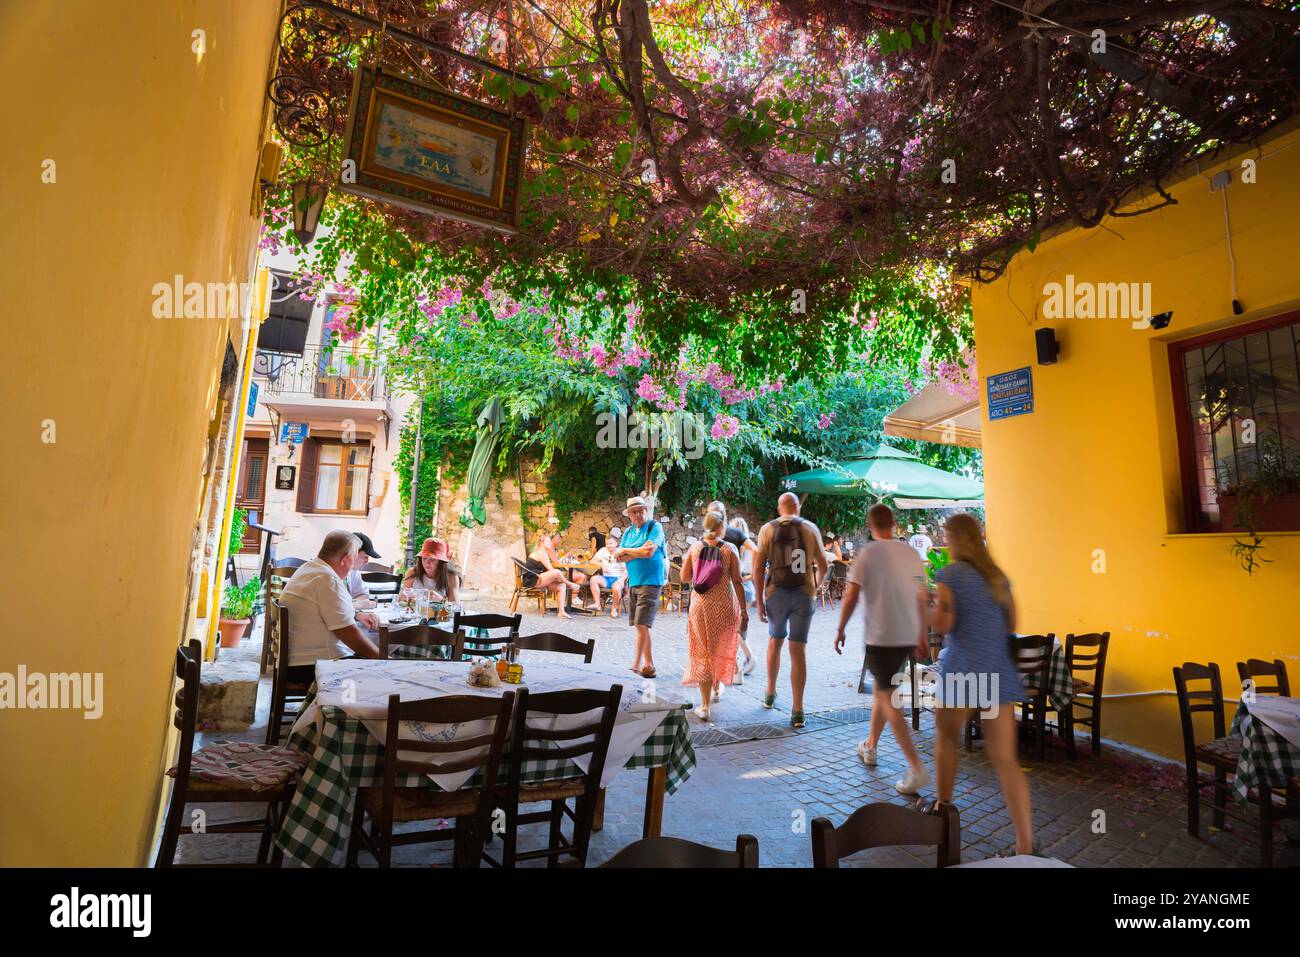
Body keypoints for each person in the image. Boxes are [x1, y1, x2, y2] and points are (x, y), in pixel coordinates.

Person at [923, 513, 1035, 855]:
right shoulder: (998, 577)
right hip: (997, 671)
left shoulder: (950, 575)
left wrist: (925, 607)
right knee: (1005, 758)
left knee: (946, 740)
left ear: (956, 539)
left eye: (947, 536)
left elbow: (943, 623)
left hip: (962, 670)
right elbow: (1012, 623)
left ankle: (943, 811)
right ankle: (1025, 842)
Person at [834, 504, 931, 795]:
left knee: (887, 698)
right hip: (905, 635)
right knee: (884, 689)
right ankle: (871, 746)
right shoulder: (910, 554)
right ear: (894, 522)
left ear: (870, 524)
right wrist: (921, 632)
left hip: (880, 635)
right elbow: (921, 594)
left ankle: (916, 767)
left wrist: (840, 628)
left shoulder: (868, 555)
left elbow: (851, 595)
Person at [753, 492, 828, 728]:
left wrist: (758, 599)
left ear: (779, 508)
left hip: (775, 594)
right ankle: (797, 710)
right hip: (804, 595)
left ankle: (770, 692)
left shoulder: (767, 529)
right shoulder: (810, 528)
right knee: (798, 650)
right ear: (798, 507)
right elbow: (824, 565)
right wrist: (816, 586)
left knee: (775, 641)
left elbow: (757, 568)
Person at [680, 511, 748, 721]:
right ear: (722, 527)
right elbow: (737, 581)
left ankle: (705, 705)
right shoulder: (730, 549)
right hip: (724, 606)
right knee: (718, 648)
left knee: (703, 652)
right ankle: (716, 690)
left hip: (700, 606)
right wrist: (744, 611)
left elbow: (684, 577)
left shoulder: (695, 547)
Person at [279, 530, 382, 667]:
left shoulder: (308, 568)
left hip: (298, 661)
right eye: (352, 559)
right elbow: (349, 634)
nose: (352, 567)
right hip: (317, 664)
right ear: (345, 559)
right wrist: (384, 659)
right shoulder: (327, 579)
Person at [613, 495, 666, 678]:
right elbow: (619, 557)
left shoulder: (654, 527)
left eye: (640, 510)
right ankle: (649, 665)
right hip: (635, 581)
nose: (638, 514)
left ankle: (636, 665)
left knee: (642, 623)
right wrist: (637, 552)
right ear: (629, 515)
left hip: (651, 581)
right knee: (640, 625)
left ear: (646, 510)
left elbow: (649, 551)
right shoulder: (628, 533)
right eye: (633, 512)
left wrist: (628, 551)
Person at [521, 532, 578, 620]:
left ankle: (561, 612)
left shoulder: (543, 553)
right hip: (532, 579)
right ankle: (569, 584)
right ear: (541, 543)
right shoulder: (541, 553)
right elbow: (551, 570)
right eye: (547, 542)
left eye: (550, 542)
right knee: (557, 572)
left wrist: (559, 580)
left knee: (561, 585)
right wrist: (560, 578)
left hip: (538, 577)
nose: (550, 543)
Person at [402, 537, 462, 606]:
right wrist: (406, 598)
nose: (427, 563)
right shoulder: (412, 572)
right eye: (424, 558)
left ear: (441, 561)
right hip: (415, 615)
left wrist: (440, 600)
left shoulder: (451, 577)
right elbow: (402, 600)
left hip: (440, 616)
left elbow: (456, 607)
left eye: (432, 559)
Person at [590, 530, 627, 616]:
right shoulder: (603, 550)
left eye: (611, 544)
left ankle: (614, 609)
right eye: (607, 544)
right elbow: (592, 561)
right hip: (606, 578)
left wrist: (622, 580)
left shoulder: (621, 552)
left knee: (616, 588)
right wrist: (602, 564)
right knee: (593, 579)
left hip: (618, 578)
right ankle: (597, 604)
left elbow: (627, 570)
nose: (609, 546)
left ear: (616, 543)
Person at [345, 532, 382, 610]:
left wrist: (353, 603)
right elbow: (335, 606)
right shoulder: (331, 574)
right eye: (365, 557)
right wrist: (356, 604)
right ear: (353, 553)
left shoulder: (353, 572)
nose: (367, 562)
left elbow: (364, 595)